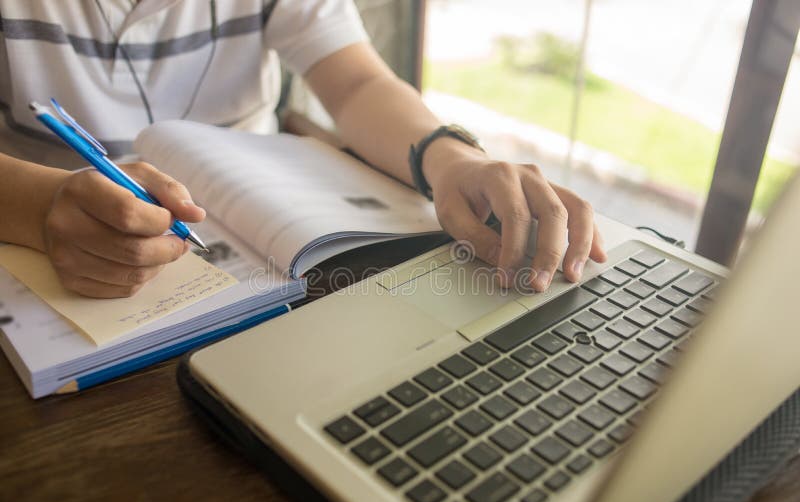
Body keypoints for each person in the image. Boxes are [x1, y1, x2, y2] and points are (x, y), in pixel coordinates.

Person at [0, 0, 606, 298]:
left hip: (253, 256)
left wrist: (452, 160)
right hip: (42, 268)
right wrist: (36, 204)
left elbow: (357, 82)